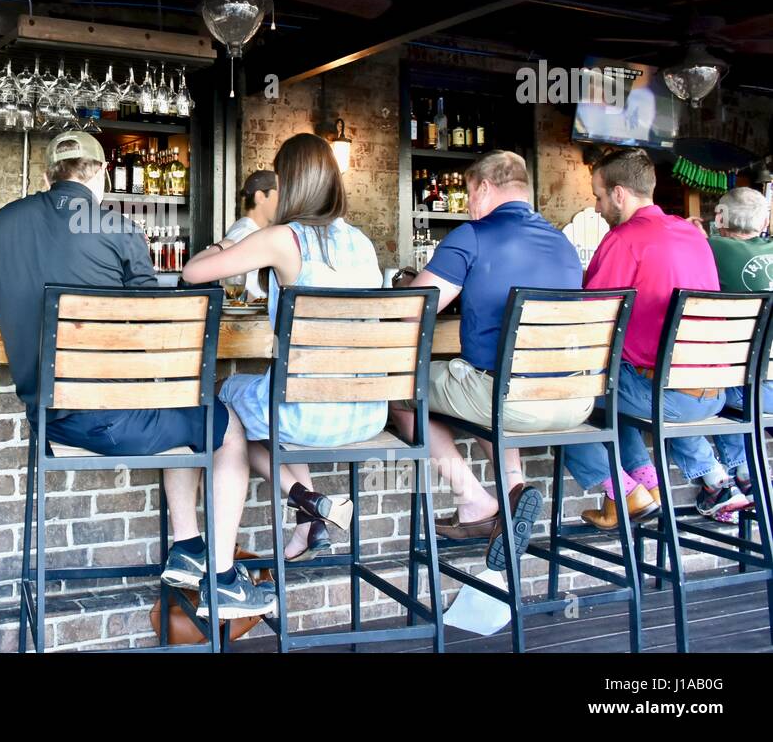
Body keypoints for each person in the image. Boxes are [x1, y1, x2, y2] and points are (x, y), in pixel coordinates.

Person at [0, 131, 275, 619]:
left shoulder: (3, 222)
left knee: (186, 407)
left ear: (46, 178)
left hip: (53, 423)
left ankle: (189, 549)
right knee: (223, 426)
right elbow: (151, 318)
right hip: (117, 421)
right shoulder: (120, 229)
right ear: (102, 174)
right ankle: (225, 582)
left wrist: (24, 302)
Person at [182, 133, 383, 562]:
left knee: (225, 405)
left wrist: (226, 244)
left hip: (304, 413)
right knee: (275, 406)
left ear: (288, 182)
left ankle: (305, 500)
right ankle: (309, 519)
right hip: (366, 412)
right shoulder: (363, 244)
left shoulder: (281, 239)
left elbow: (193, 272)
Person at [389, 151, 589, 571]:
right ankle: (514, 491)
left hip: (508, 400)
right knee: (485, 392)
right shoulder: (564, 243)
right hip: (574, 399)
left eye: (467, 191)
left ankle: (474, 501)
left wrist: (411, 284)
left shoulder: (473, 235)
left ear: (483, 187)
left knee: (400, 390)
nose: (465, 202)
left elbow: (413, 312)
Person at [562, 149, 750, 527]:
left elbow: (590, 315)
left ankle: (623, 491)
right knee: (617, 389)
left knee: (563, 397)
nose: (597, 208)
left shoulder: (624, 239)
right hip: (714, 394)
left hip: (664, 397)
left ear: (618, 194)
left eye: (598, 196)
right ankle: (649, 486)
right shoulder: (693, 235)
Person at [694, 186, 773, 515]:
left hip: (743, 390)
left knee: (706, 389)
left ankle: (721, 479)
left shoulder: (710, 247)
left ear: (720, 218)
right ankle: (747, 476)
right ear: (765, 221)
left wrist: (694, 235)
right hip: (767, 390)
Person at [218, 170, 278, 300]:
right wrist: (260, 304)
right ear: (260, 197)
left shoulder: (254, 231)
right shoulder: (243, 233)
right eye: (279, 194)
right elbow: (226, 281)